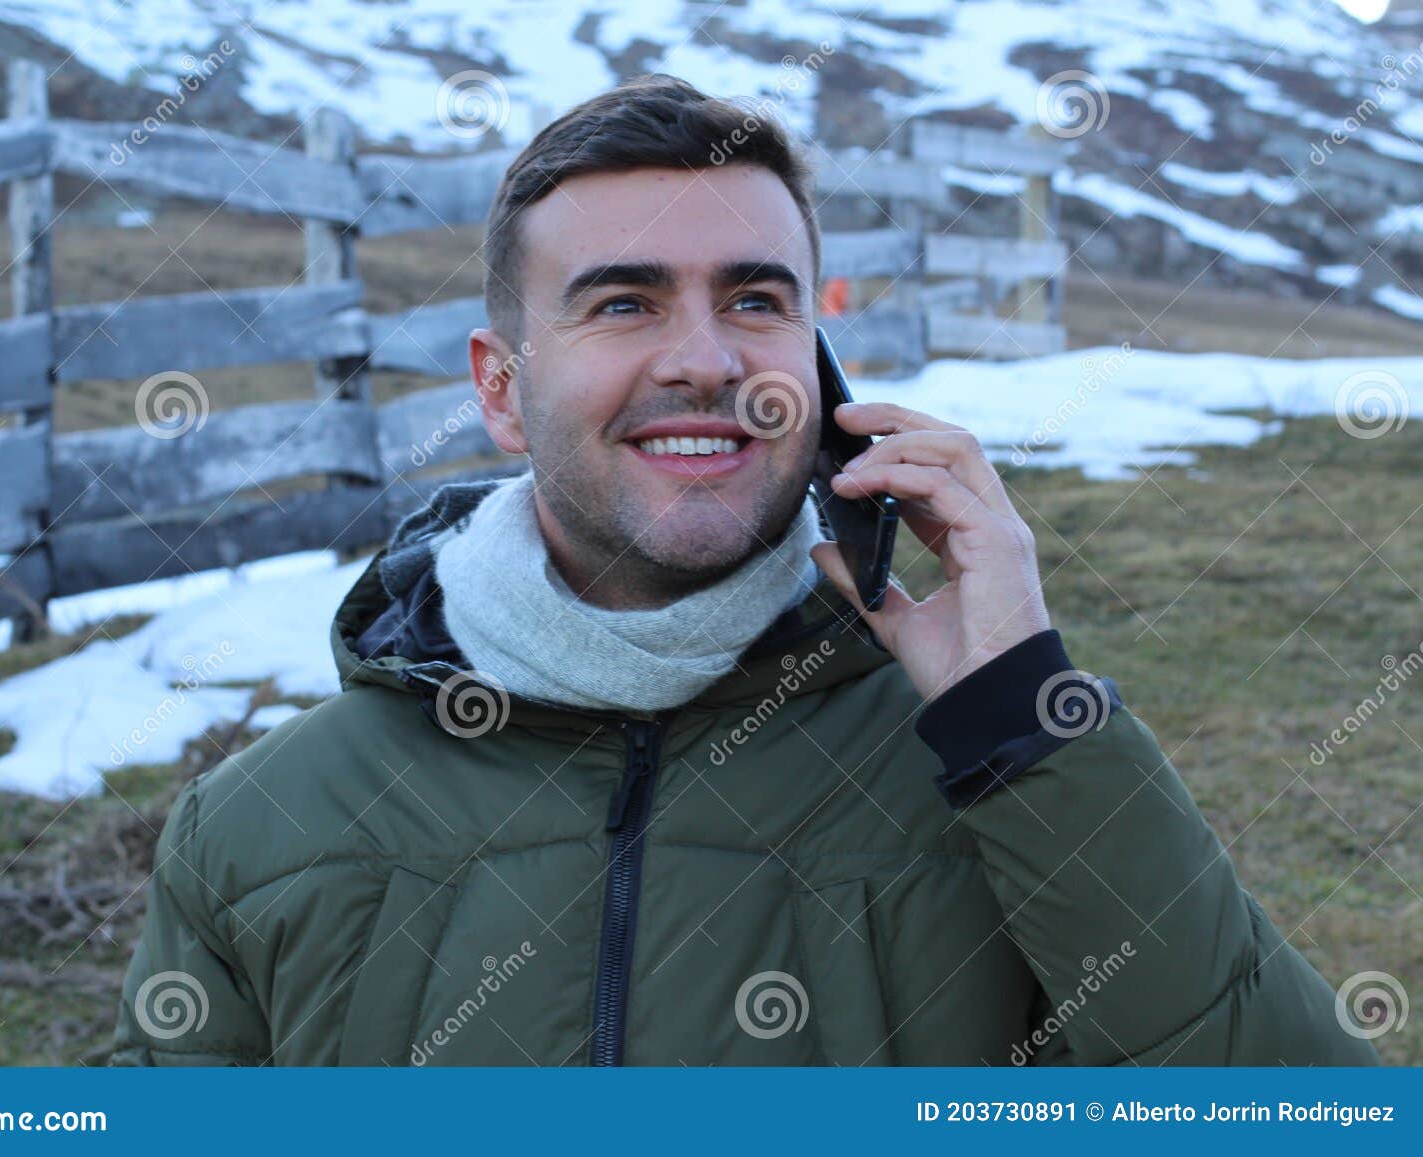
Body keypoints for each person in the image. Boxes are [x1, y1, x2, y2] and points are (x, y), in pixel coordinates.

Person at [110, 74, 1377, 1067]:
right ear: (502, 388)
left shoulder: (1007, 779)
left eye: (757, 301)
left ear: (820, 368)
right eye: (623, 303)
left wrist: (1022, 728)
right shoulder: (258, 829)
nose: (705, 359)